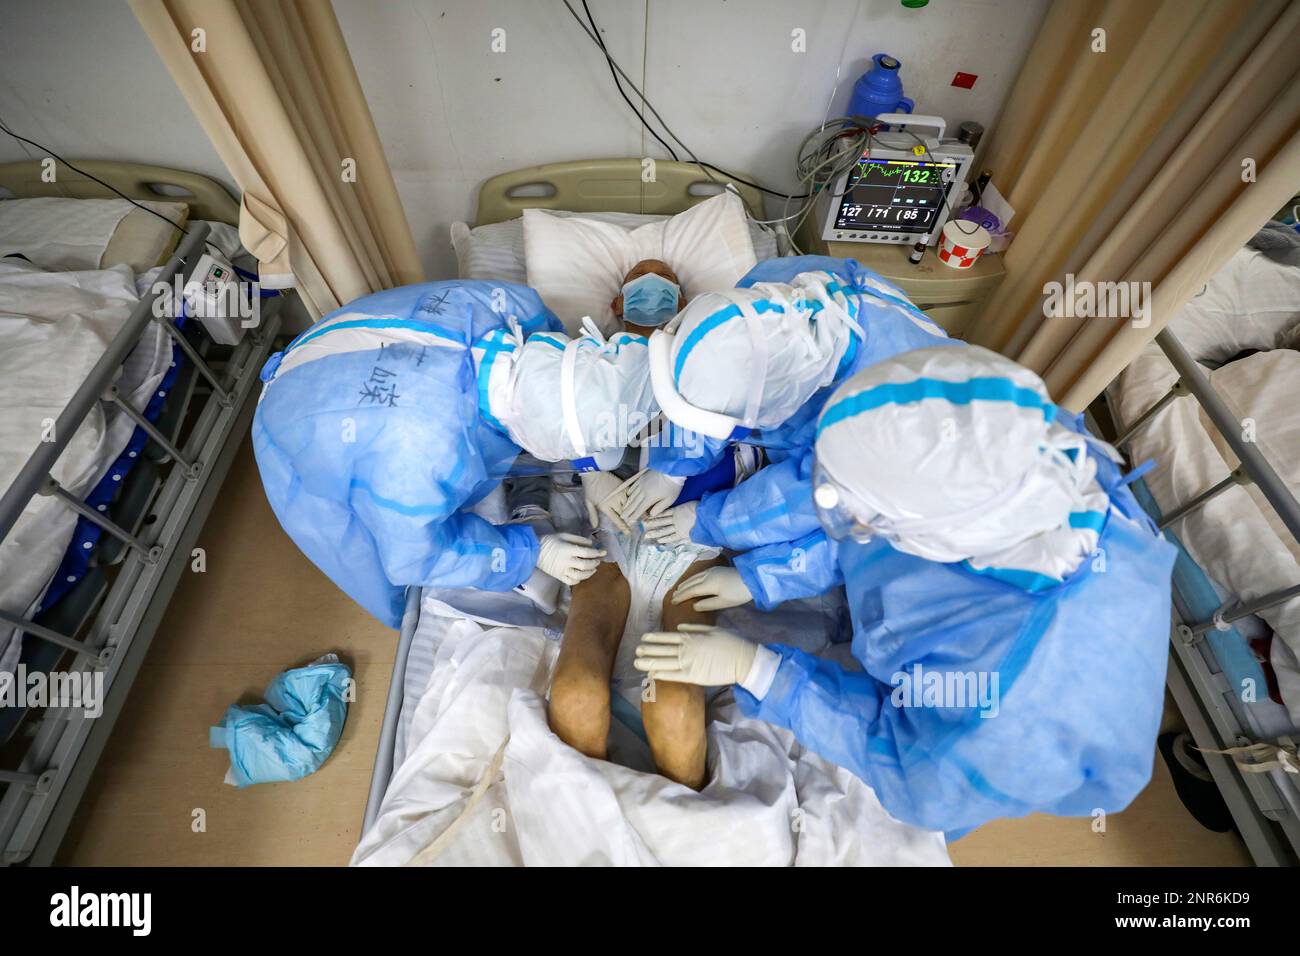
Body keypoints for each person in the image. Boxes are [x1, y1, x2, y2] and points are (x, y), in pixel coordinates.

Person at [634, 345, 1178, 835]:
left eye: (864, 512)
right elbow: (876, 536)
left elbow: (900, 757)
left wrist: (759, 671)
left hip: (980, 742)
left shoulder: (1010, 716)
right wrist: (760, 577)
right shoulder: (998, 454)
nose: (852, 520)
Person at [253, 280, 653, 627]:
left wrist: (590, 467)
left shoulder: (515, 307)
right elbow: (416, 553)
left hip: (352, 341)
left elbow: (566, 390)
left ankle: (531, 507)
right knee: (372, 549)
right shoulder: (420, 453)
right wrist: (529, 552)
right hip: (301, 415)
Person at [615, 256, 955, 526]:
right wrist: (664, 470)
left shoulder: (874, 421)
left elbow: (811, 498)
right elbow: (727, 379)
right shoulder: (755, 306)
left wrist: (710, 523)